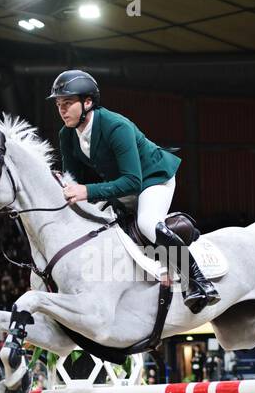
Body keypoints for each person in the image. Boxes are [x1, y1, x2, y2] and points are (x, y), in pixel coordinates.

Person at [49, 69, 219, 312]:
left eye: (67, 103)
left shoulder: (117, 127)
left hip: (152, 179)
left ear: (88, 102)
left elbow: (132, 182)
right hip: (120, 186)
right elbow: (73, 178)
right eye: (58, 104)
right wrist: (61, 184)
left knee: (148, 223)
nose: (62, 110)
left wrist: (86, 191)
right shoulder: (66, 134)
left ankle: (198, 280)